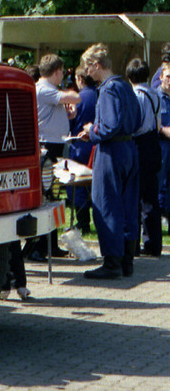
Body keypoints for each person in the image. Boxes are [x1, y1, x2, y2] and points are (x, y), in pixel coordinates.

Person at [76, 44, 141, 279]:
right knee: (128, 205)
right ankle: (127, 261)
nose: (86, 72)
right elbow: (138, 119)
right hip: (129, 148)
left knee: (107, 205)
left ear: (96, 65)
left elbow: (109, 125)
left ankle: (112, 263)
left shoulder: (108, 89)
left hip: (111, 151)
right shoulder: (125, 86)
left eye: (88, 67)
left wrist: (91, 130)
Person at [27, 54, 79, 261]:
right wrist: (70, 96)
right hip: (47, 147)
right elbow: (75, 97)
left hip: (54, 145)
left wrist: (67, 114)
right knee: (47, 196)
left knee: (54, 195)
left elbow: (64, 108)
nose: (63, 77)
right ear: (57, 72)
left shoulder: (50, 90)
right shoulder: (44, 89)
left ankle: (51, 244)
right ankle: (39, 247)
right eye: (62, 73)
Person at [127, 58, 162, 258]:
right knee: (151, 197)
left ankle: (133, 244)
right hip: (153, 143)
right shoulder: (154, 94)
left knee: (135, 196)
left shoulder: (136, 95)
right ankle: (153, 244)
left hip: (139, 144)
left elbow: (135, 124)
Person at [68, 66, 98, 233]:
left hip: (80, 146)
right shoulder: (100, 95)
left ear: (79, 79)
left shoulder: (77, 98)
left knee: (78, 184)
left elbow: (70, 122)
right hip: (98, 145)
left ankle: (83, 221)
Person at [151, 65, 170, 256]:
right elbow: (152, 123)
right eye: (168, 77)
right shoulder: (155, 96)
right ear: (161, 77)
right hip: (161, 145)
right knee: (159, 184)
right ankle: (158, 221)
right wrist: (164, 129)